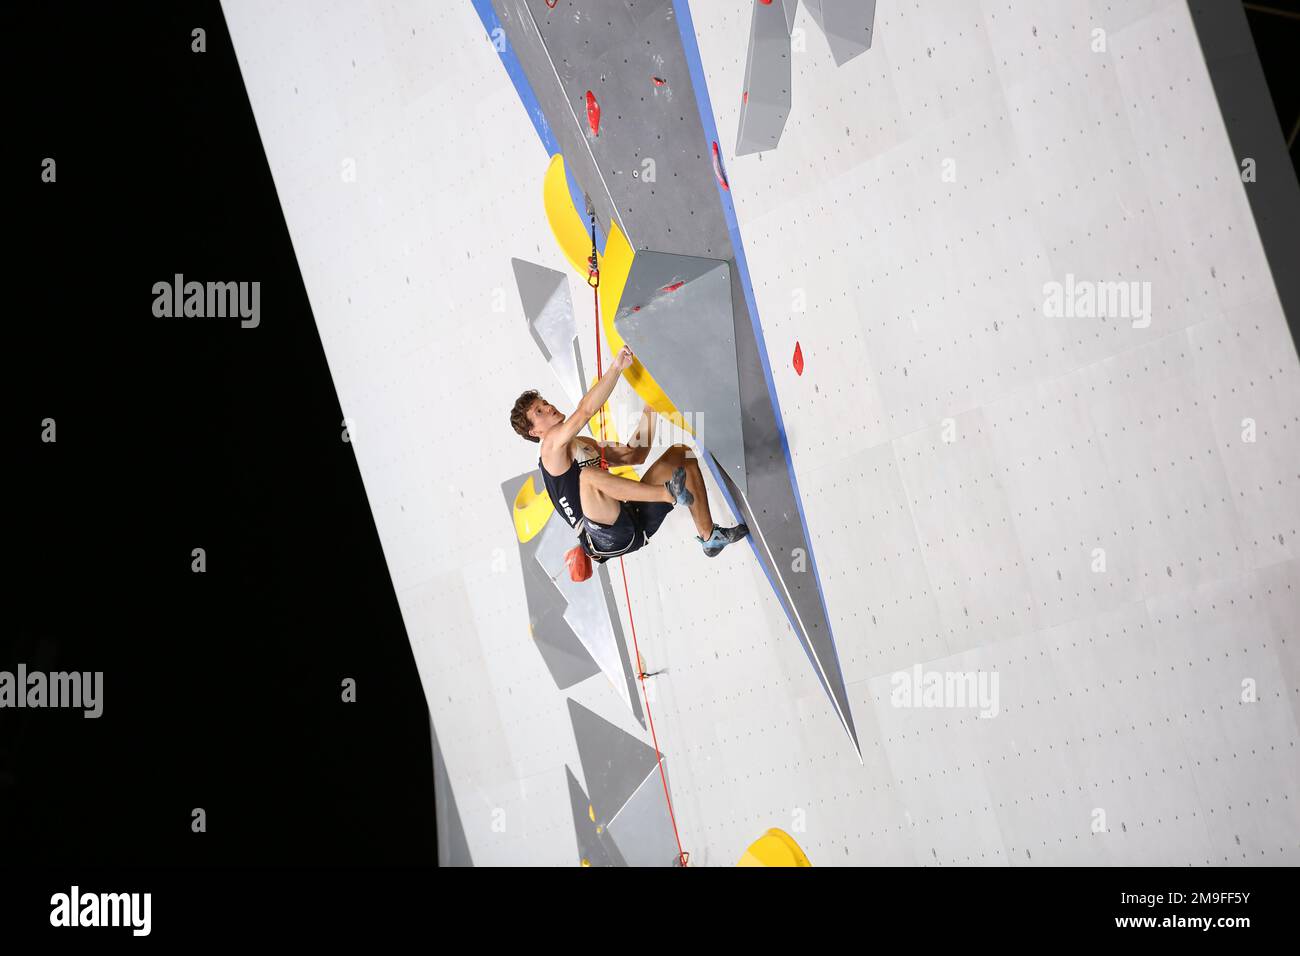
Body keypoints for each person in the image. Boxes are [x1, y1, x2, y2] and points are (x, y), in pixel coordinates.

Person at [510, 344, 749, 562]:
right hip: (604, 538)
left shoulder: (583, 443)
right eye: (539, 411)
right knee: (588, 476)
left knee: (680, 455)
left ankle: (709, 537)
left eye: (545, 403)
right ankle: (667, 494)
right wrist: (616, 367)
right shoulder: (549, 449)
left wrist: (650, 406)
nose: (549, 407)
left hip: (631, 524)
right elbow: (585, 411)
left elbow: (634, 455)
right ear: (535, 431)